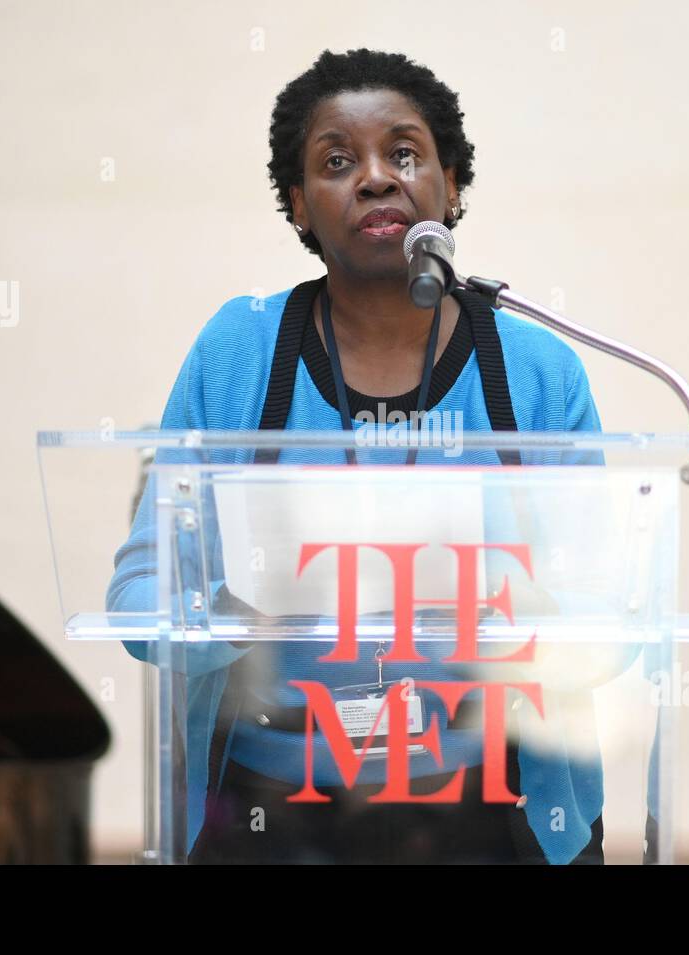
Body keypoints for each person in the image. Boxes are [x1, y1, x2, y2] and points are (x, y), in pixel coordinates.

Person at [107, 48, 624, 865]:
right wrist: (235, 614)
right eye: (338, 162)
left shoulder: (535, 367)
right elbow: (139, 595)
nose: (377, 178)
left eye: (406, 153)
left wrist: (518, 624)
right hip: (268, 806)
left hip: (492, 803)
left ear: (451, 186)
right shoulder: (236, 351)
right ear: (299, 206)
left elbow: (612, 613)